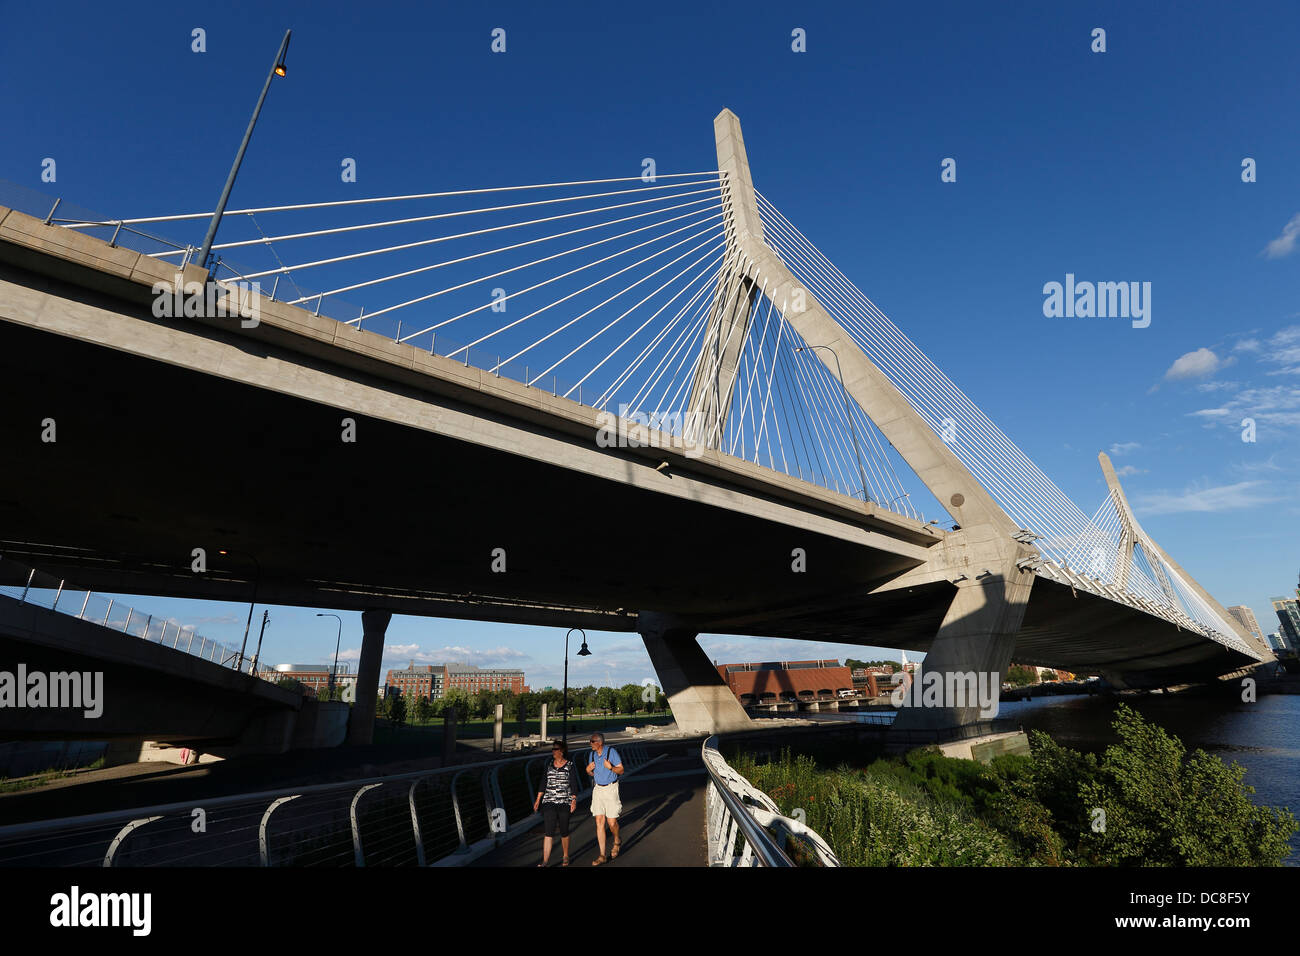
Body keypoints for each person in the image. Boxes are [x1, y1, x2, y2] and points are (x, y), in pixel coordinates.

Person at [533, 739, 579, 866]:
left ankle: (565, 855)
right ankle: (545, 861)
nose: (553, 751)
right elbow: (543, 783)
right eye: (552, 749)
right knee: (549, 831)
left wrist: (573, 800)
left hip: (564, 801)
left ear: (562, 751)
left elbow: (574, 784)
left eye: (555, 749)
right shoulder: (549, 765)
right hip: (549, 801)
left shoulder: (570, 765)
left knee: (564, 830)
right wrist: (538, 800)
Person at [585, 732, 624, 865]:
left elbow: (621, 770)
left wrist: (611, 767)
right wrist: (588, 770)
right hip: (598, 790)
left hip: (611, 789)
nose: (590, 743)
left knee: (612, 823)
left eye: (592, 741)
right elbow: (592, 773)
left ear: (599, 742)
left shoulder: (611, 752)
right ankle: (602, 855)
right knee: (599, 821)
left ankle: (617, 839)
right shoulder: (592, 755)